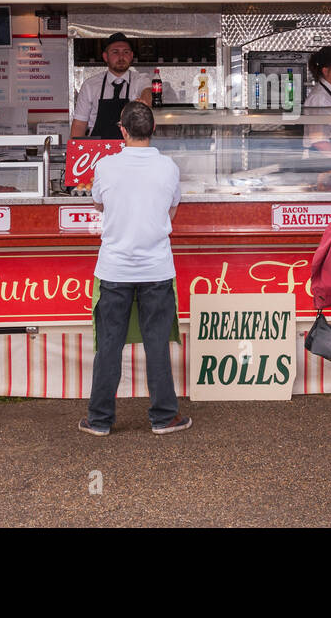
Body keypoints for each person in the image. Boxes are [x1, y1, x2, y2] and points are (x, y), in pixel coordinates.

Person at [80, 100, 191, 437]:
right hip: (156, 269)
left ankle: (99, 419)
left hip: (114, 269)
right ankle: (163, 417)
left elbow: (98, 203)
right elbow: (172, 210)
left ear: (122, 131)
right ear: (152, 129)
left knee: (109, 345)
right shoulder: (168, 167)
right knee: (156, 344)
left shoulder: (105, 166)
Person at [70, 32, 152, 140]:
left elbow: (147, 91)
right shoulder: (90, 85)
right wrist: (75, 148)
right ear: (105, 57)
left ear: (131, 56)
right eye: (115, 52)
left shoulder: (140, 79)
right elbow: (79, 124)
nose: (121, 57)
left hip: (130, 148)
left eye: (126, 52)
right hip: (97, 149)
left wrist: (144, 102)